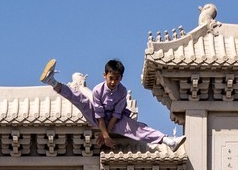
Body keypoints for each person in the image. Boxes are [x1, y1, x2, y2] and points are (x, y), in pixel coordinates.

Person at [41, 58, 185, 150]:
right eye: (110, 78)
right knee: (80, 99)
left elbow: (117, 115)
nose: (112, 81)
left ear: (121, 78)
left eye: (116, 78)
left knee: (138, 127)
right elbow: (99, 116)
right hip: (97, 118)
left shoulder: (122, 92)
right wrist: (105, 135)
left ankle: (167, 141)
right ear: (105, 75)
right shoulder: (98, 90)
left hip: (115, 121)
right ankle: (52, 81)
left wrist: (106, 136)